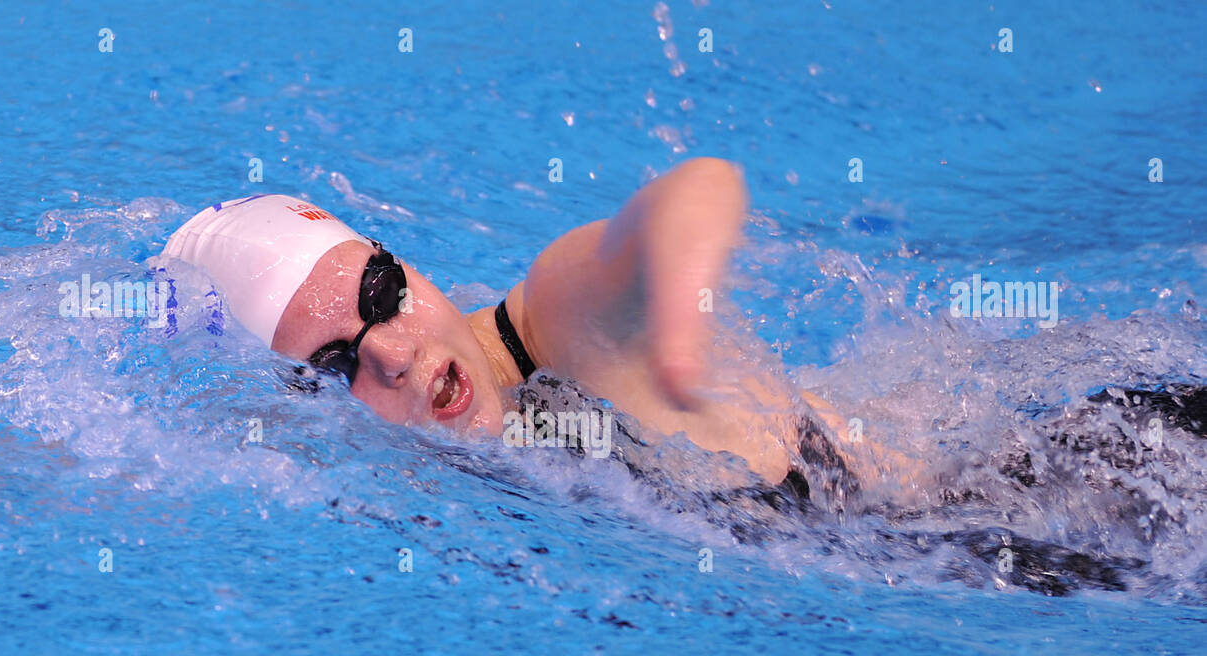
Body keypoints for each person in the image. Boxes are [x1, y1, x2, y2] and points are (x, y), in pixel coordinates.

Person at [158, 159, 915, 502]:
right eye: (332, 366)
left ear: (411, 267)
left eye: (383, 294)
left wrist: (681, 325)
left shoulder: (563, 312)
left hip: (992, 525)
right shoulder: (449, 468)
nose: (393, 353)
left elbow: (701, 187)